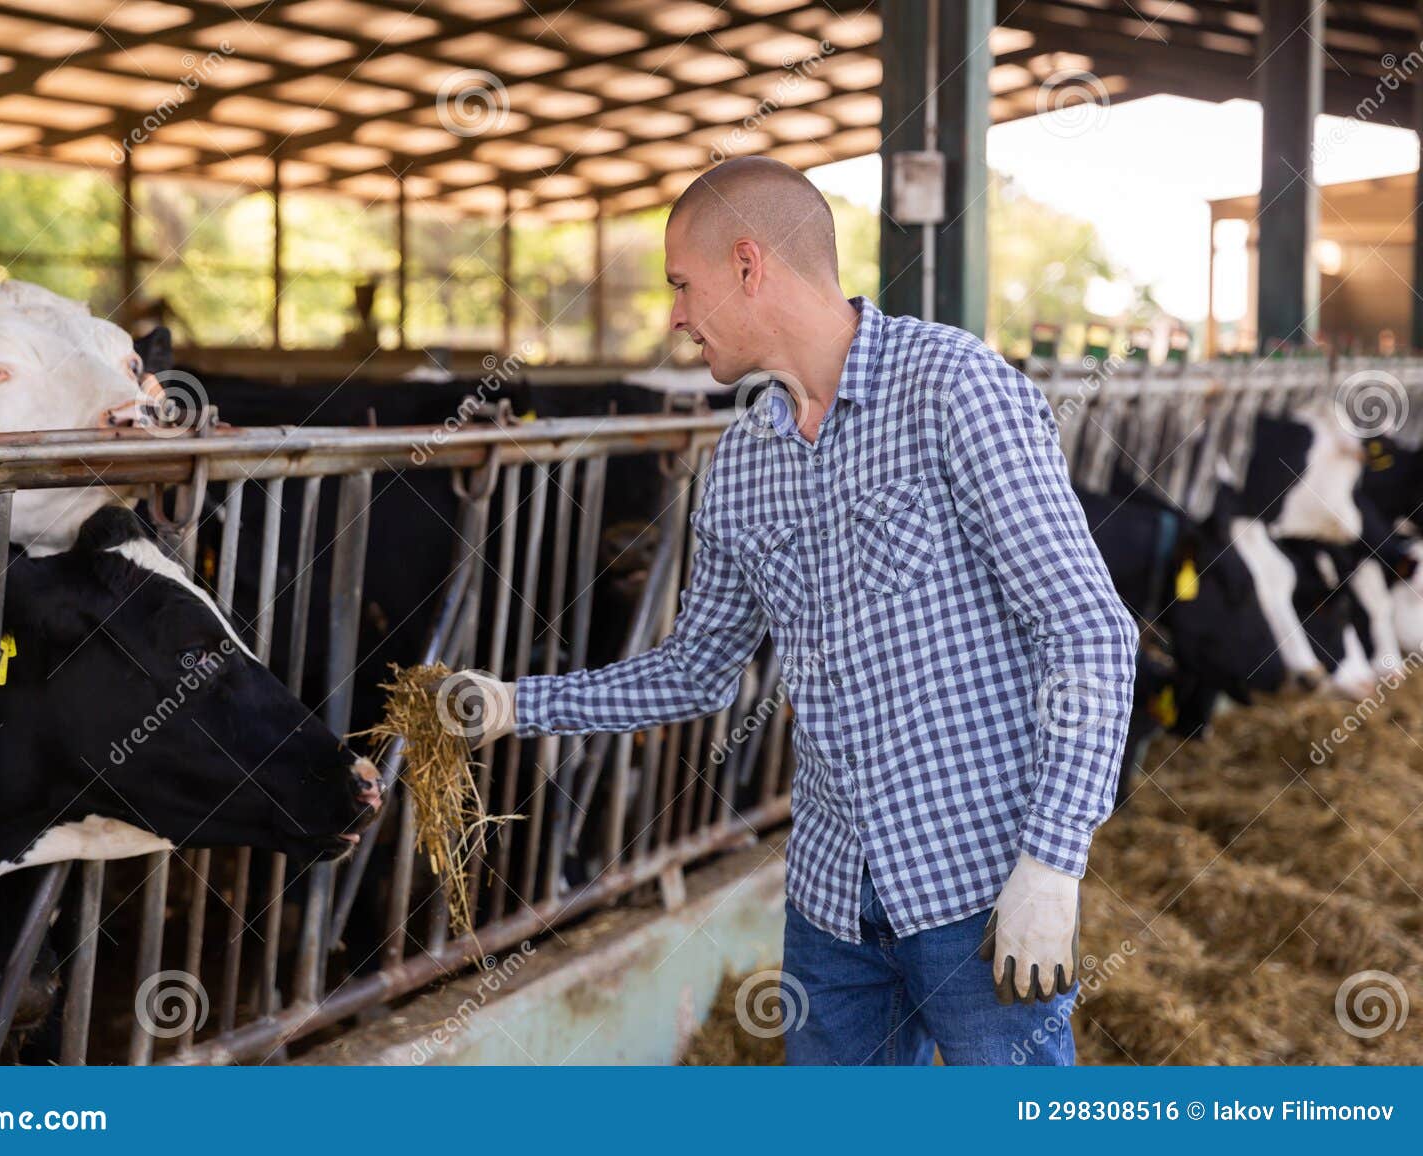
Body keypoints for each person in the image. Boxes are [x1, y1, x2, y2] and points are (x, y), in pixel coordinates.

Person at [438, 156, 1137, 1065]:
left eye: (683, 286)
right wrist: (514, 705)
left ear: (747, 264)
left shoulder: (953, 388)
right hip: (832, 902)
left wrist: (1053, 861)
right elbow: (694, 672)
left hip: (982, 888)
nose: (678, 317)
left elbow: (1087, 627)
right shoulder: (740, 466)